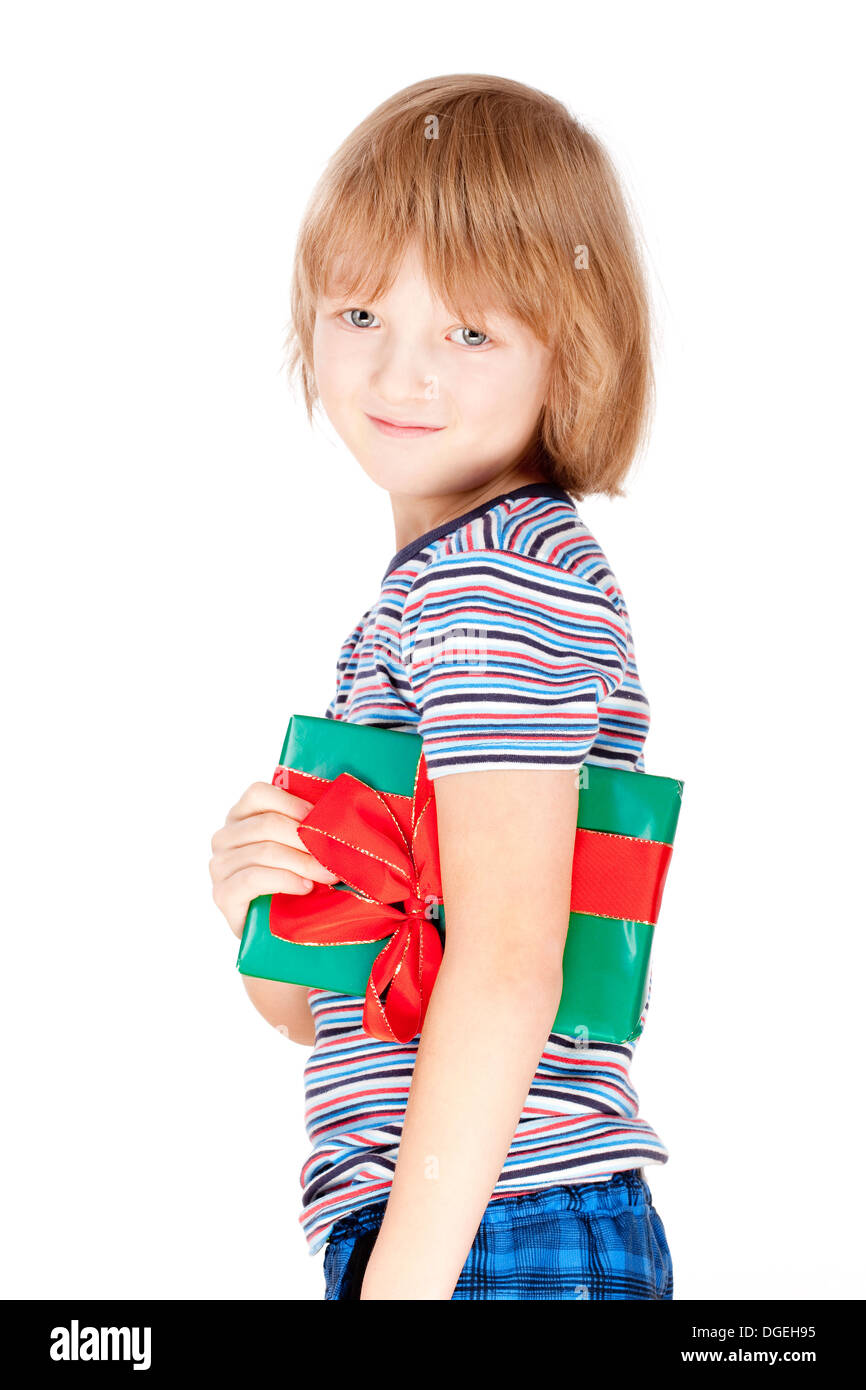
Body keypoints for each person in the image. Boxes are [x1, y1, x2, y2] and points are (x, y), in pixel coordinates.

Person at [209, 73, 674, 1301]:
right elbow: (346, 1017)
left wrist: (402, 1288)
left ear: (566, 355)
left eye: (468, 332)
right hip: (466, 1216)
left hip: (491, 1226)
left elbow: (512, 966)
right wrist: (266, 909)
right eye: (361, 311)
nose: (401, 373)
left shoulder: (491, 583)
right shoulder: (440, 584)